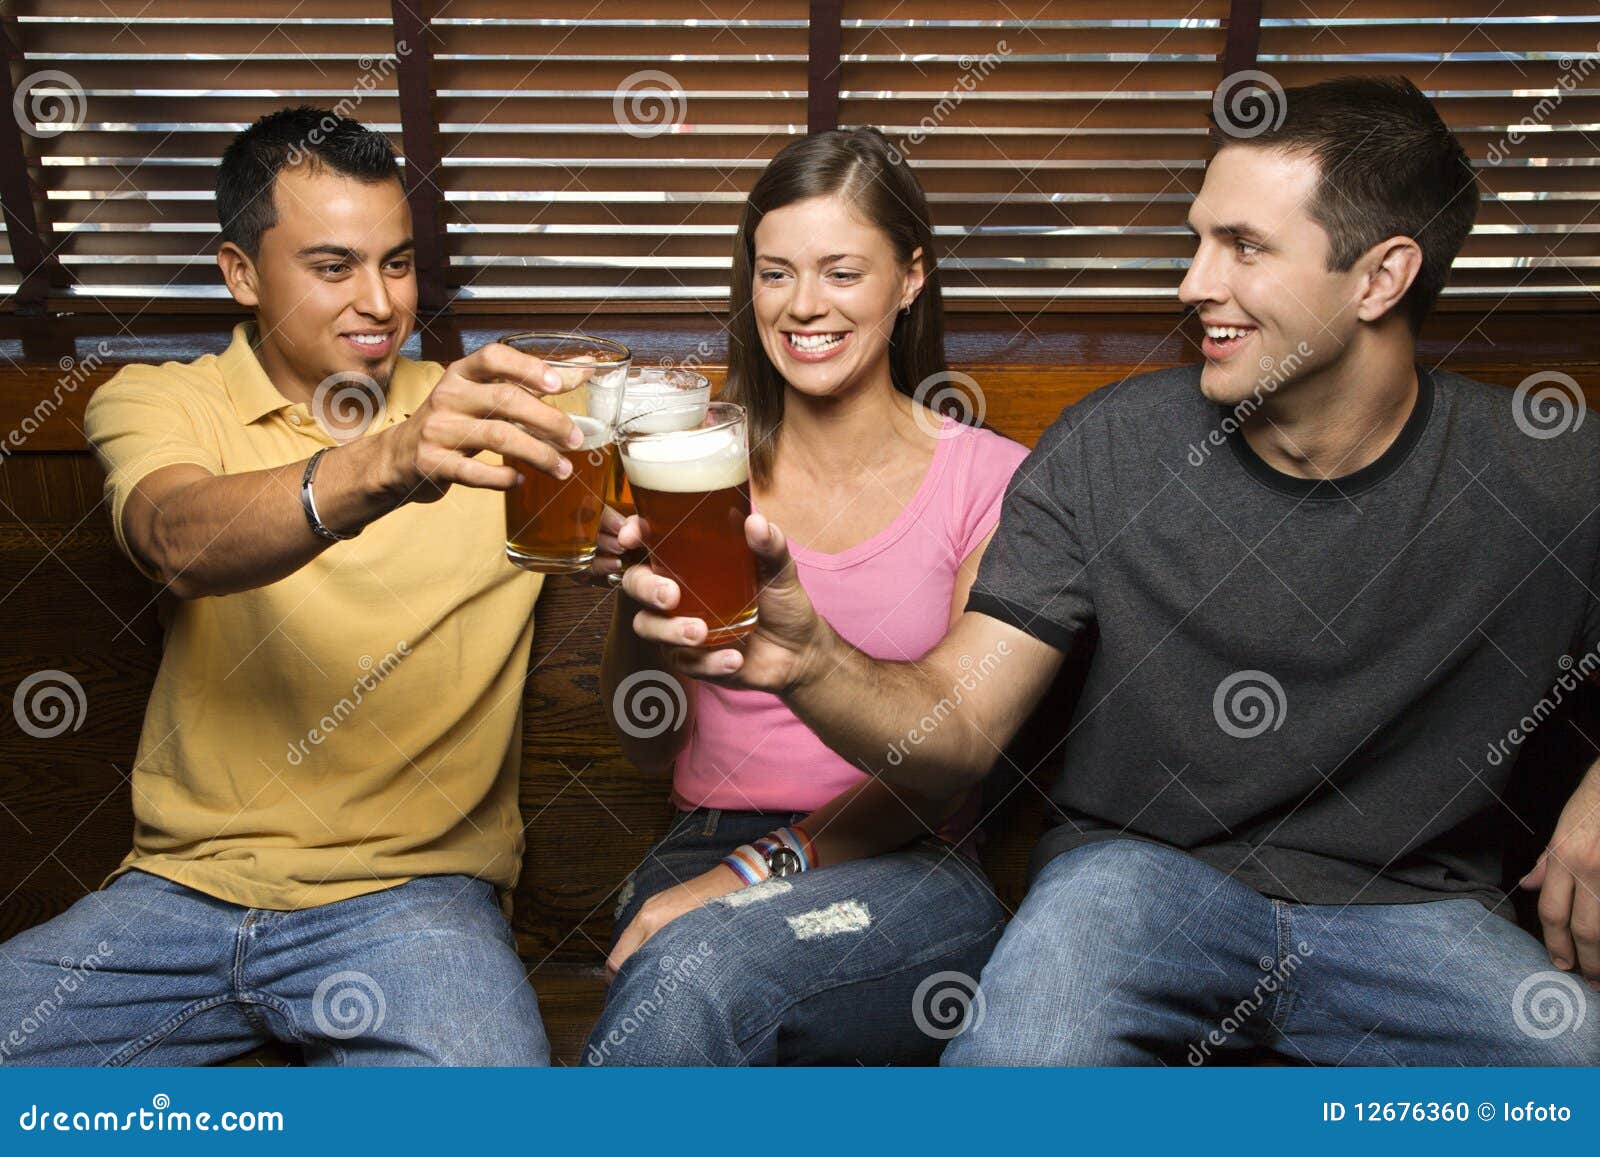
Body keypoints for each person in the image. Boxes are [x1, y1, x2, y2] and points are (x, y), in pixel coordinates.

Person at [620, 77, 1600, 1065]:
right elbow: (955, 728)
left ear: (1380, 277)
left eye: (1244, 247)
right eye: (1196, 239)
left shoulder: (1547, 468)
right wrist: (810, 663)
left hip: (1416, 917)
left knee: (1568, 1070)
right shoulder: (1109, 449)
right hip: (1136, 887)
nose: (1191, 283)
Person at [0, 108, 588, 1066]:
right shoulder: (164, 400)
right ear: (241, 274)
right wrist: (388, 461)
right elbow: (174, 537)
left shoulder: (489, 416)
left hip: (412, 903)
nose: (380, 302)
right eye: (333, 267)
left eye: (396, 263)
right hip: (176, 896)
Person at [584, 128, 1022, 1065]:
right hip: (701, 839)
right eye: (775, 272)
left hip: (907, 863)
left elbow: (948, 755)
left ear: (910, 278)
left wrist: (751, 873)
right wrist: (635, 594)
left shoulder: (990, 482)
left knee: (699, 968)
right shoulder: (689, 470)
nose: (804, 305)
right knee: (690, 982)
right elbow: (640, 739)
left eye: (840, 272)